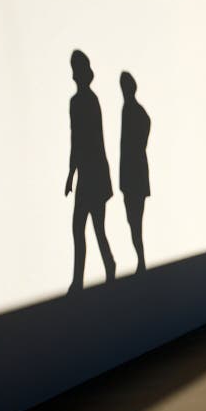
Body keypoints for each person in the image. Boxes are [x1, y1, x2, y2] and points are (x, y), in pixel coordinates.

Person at [65, 50, 115, 292]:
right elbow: (77, 141)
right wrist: (71, 174)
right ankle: (86, 276)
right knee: (86, 227)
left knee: (88, 227)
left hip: (91, 174)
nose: (73, 74)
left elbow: (82, 141)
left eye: (74, 69)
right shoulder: (81, 101)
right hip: (90, 174)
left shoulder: (84, 102)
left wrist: (71, 174)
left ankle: (82, 278)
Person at [120, 72, 151, 273]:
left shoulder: (133, 110)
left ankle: (141, 260)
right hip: (131, 175)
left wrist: (140, 146)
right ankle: (141, 259)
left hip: (134, 175)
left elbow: (146, 125)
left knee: (135, 220)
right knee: (133, 220)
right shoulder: (129, 109)